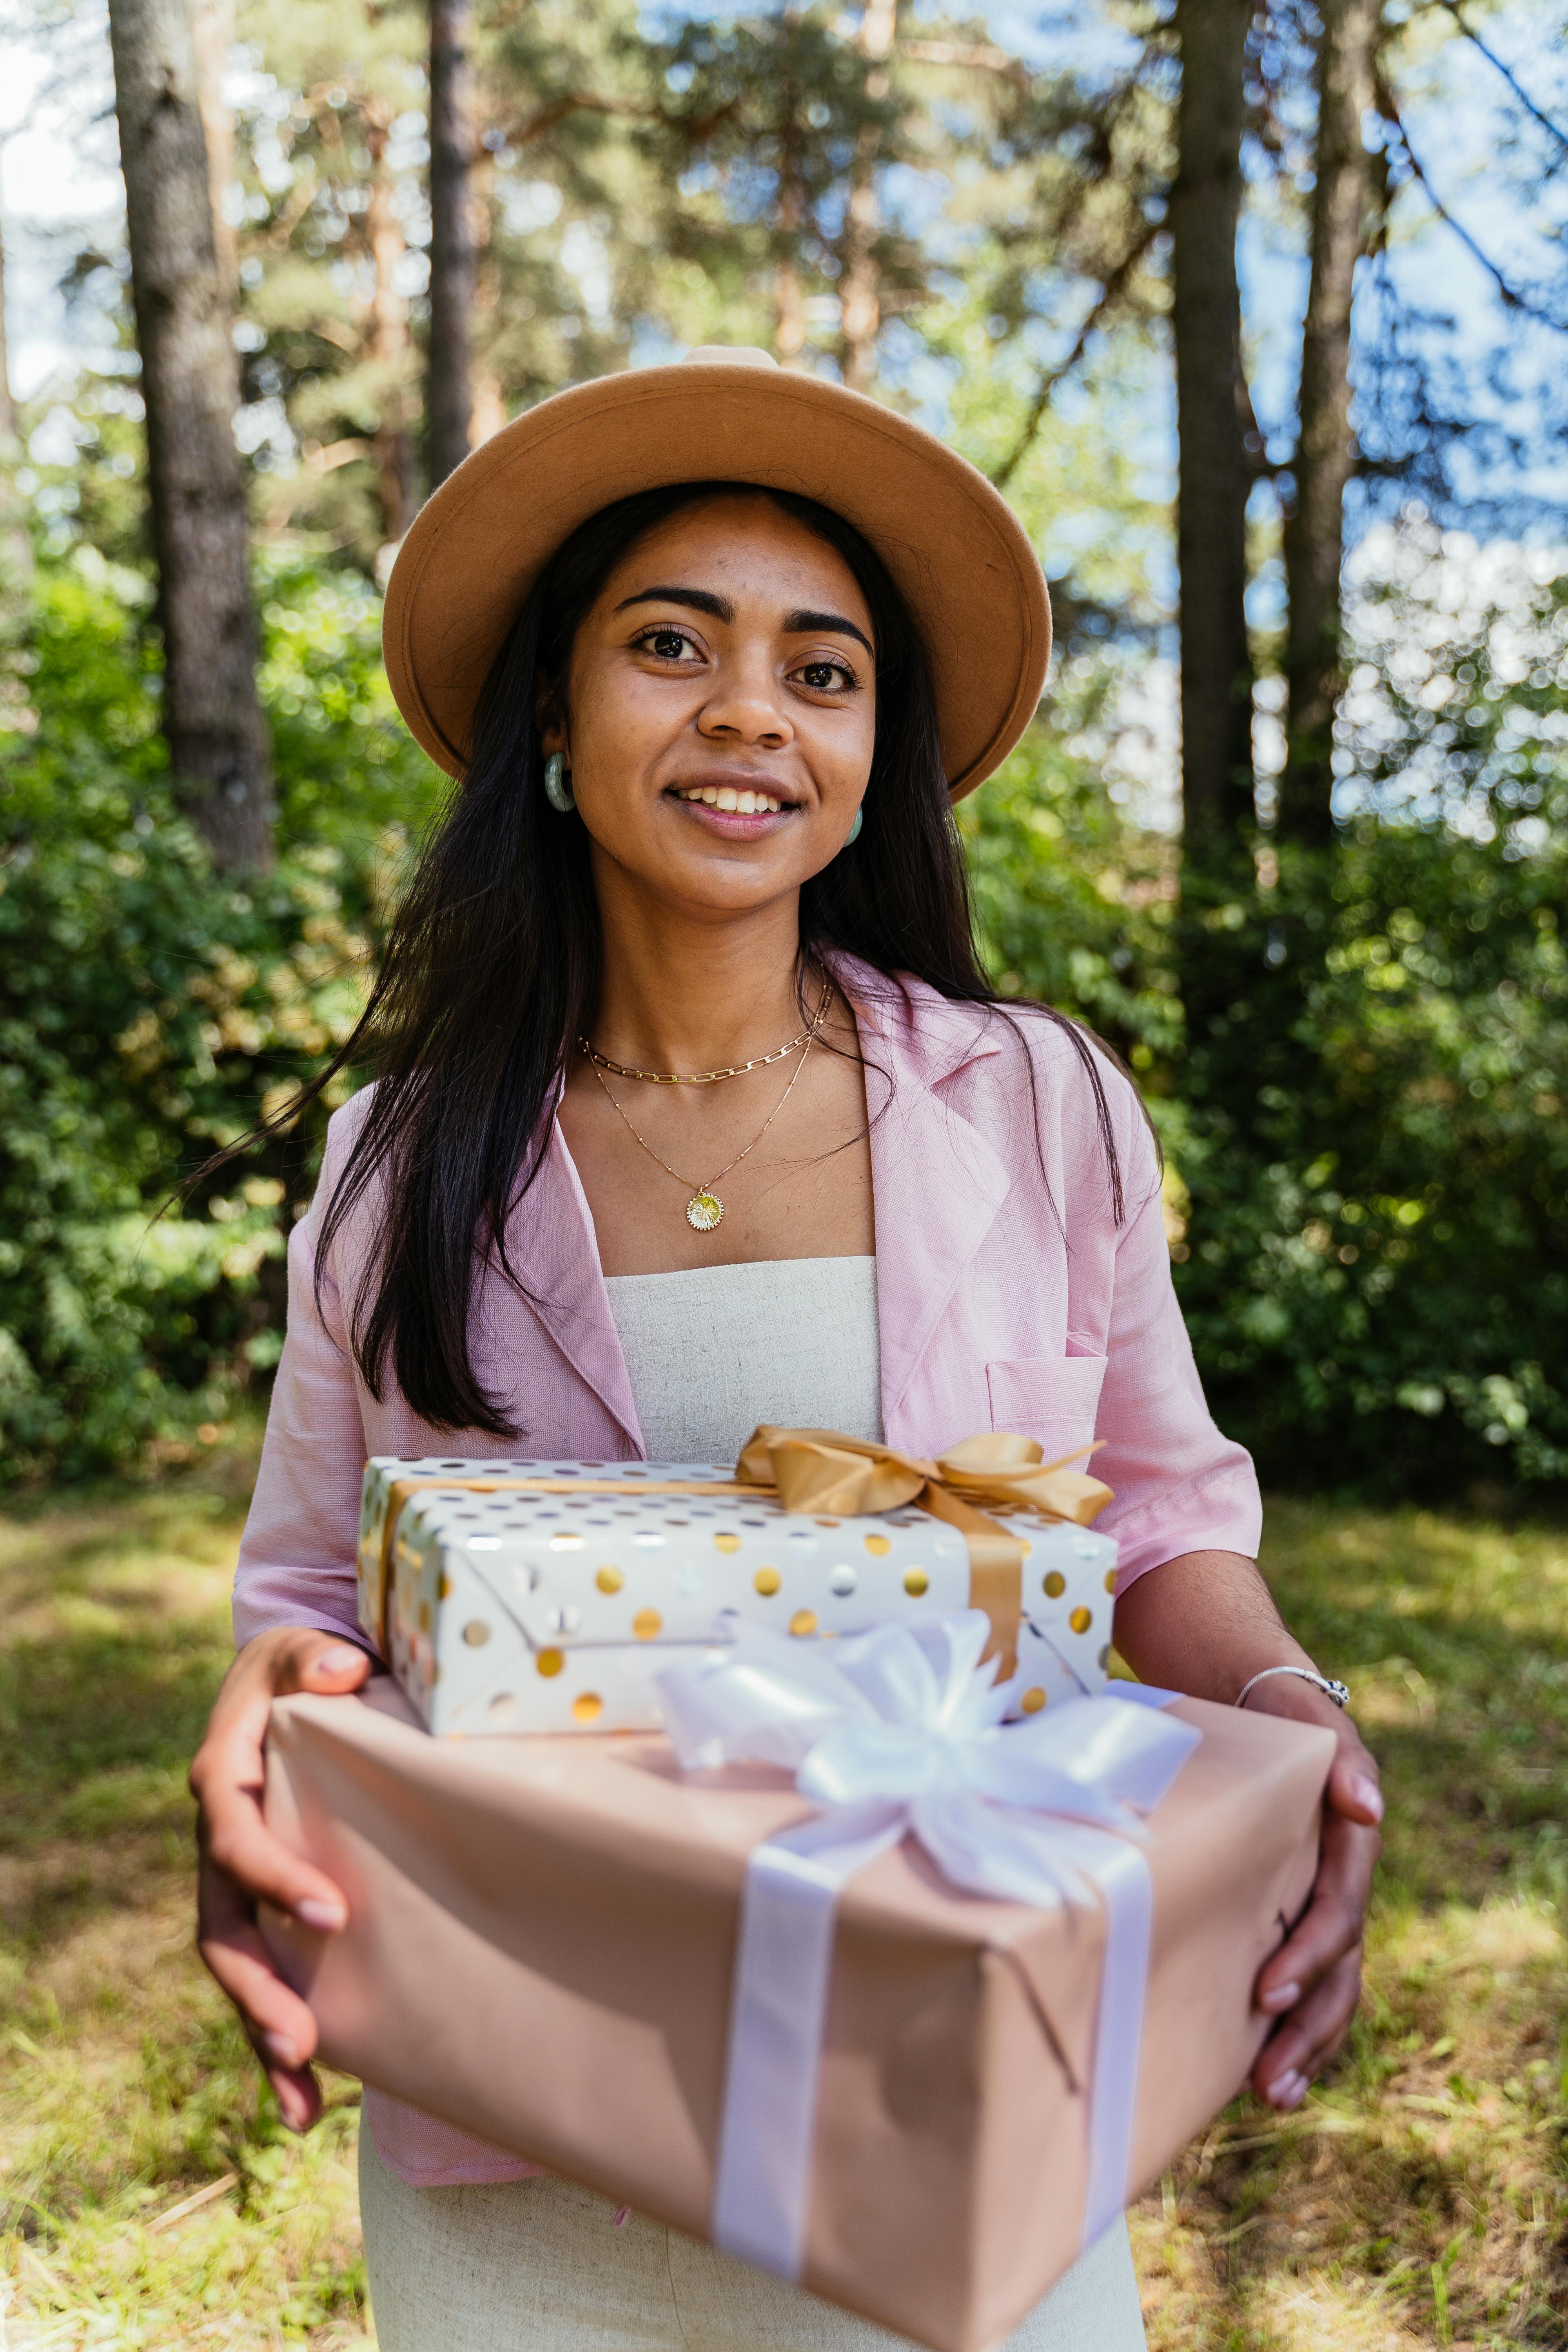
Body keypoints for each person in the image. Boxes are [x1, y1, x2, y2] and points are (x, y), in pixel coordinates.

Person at [188, 348, 1383, 2352]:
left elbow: (1161, 1521)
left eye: (822, 673)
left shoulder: (1035, 1102)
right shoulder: (397, 1165)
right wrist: (261, 1708)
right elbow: (319, 1584)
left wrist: (1289, 1707)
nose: (750, 709)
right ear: (555, 722)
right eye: (672, 644)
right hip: (524, 2112)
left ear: (867, 763)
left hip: (944, 2088)